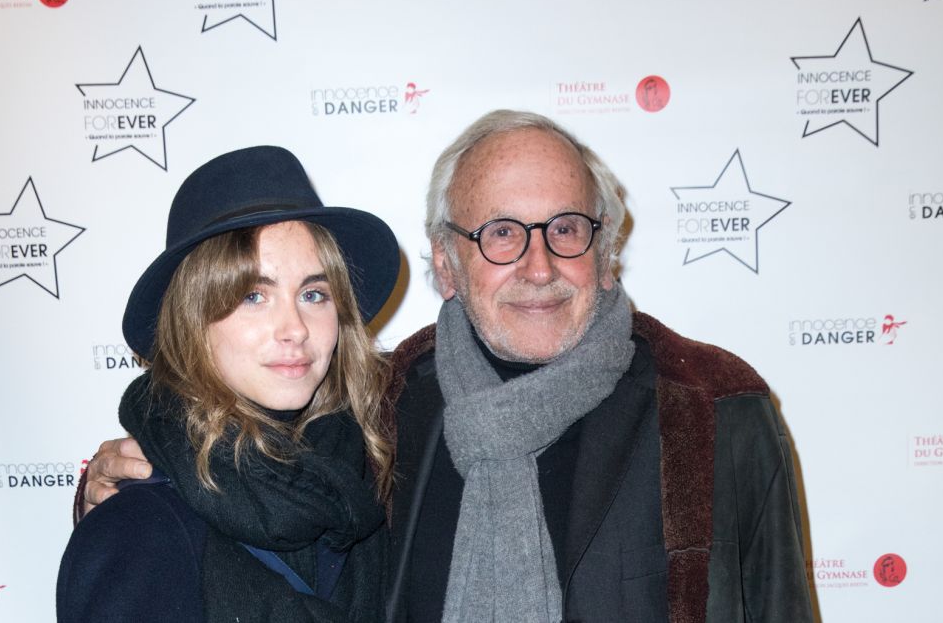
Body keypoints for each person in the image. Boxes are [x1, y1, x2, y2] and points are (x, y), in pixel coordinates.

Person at [79, 111, 814, 622]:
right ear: (446, 262)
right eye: (500, 233)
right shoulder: (391, 406)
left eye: (565, 228)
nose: (537, 265)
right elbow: (233, 506)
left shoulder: (715, 409)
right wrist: (110, 502)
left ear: (605, 246)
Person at [56, 146, 400, 622]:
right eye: (254, 295)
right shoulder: (139, 525)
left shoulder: (367, 483)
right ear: (191, 319)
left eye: (314, 294)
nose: (295, 328)